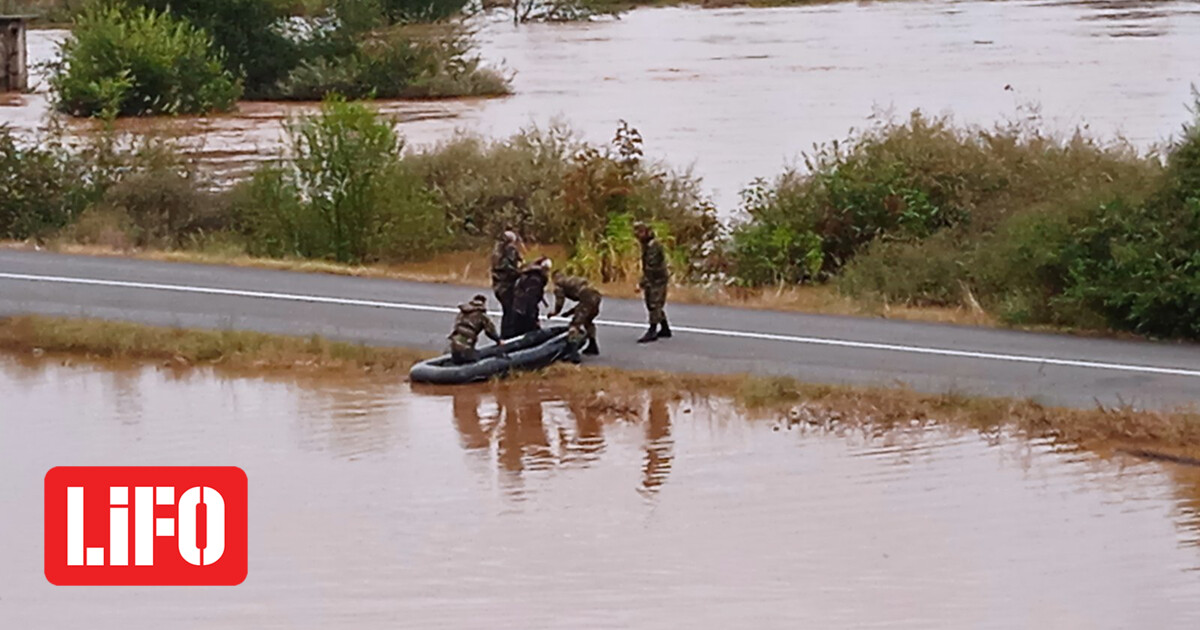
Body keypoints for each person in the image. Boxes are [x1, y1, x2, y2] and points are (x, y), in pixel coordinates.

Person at [634, 222, 672, 343]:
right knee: (653, 304)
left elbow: (651, 267)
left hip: (657, 279)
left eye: (640, 232)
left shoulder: (653, 246)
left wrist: (641, 283)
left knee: (654, 304)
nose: (637, 235)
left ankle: (652, 330)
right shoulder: (647, 245)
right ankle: (665, 328)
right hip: (653, 278)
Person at [549, 270, 602, 356]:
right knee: (587, 321)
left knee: (574, 324)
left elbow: (560, 300)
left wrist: (555, 312)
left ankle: (573, 352)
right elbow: (583, 305)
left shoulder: (559, 284)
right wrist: (569, 313)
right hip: (596, 296)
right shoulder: (570, 280)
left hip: (586, 296)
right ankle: (592, 345)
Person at [448, 294, 503, 365]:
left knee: (457, 360)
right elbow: (490, 331)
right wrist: (498, 340)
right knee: (475, 362)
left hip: (454, 345)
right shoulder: (482, 315)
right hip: (466, 347)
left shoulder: (463, 312)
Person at [491, 230, 523, 339]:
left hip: (497, 286)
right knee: (510, 312)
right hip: (506, 286)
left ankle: (505, 335)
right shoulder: (510, 249)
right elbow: (510, 268)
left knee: (507, 311)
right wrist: (521, 272)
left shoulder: (497, 250)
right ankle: (508, 336)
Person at [508, 257, 551, 338]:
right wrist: (534, 319)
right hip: (524, 312)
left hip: (518, 308)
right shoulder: (535, 279)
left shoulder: (528, 274)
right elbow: (531, 301)